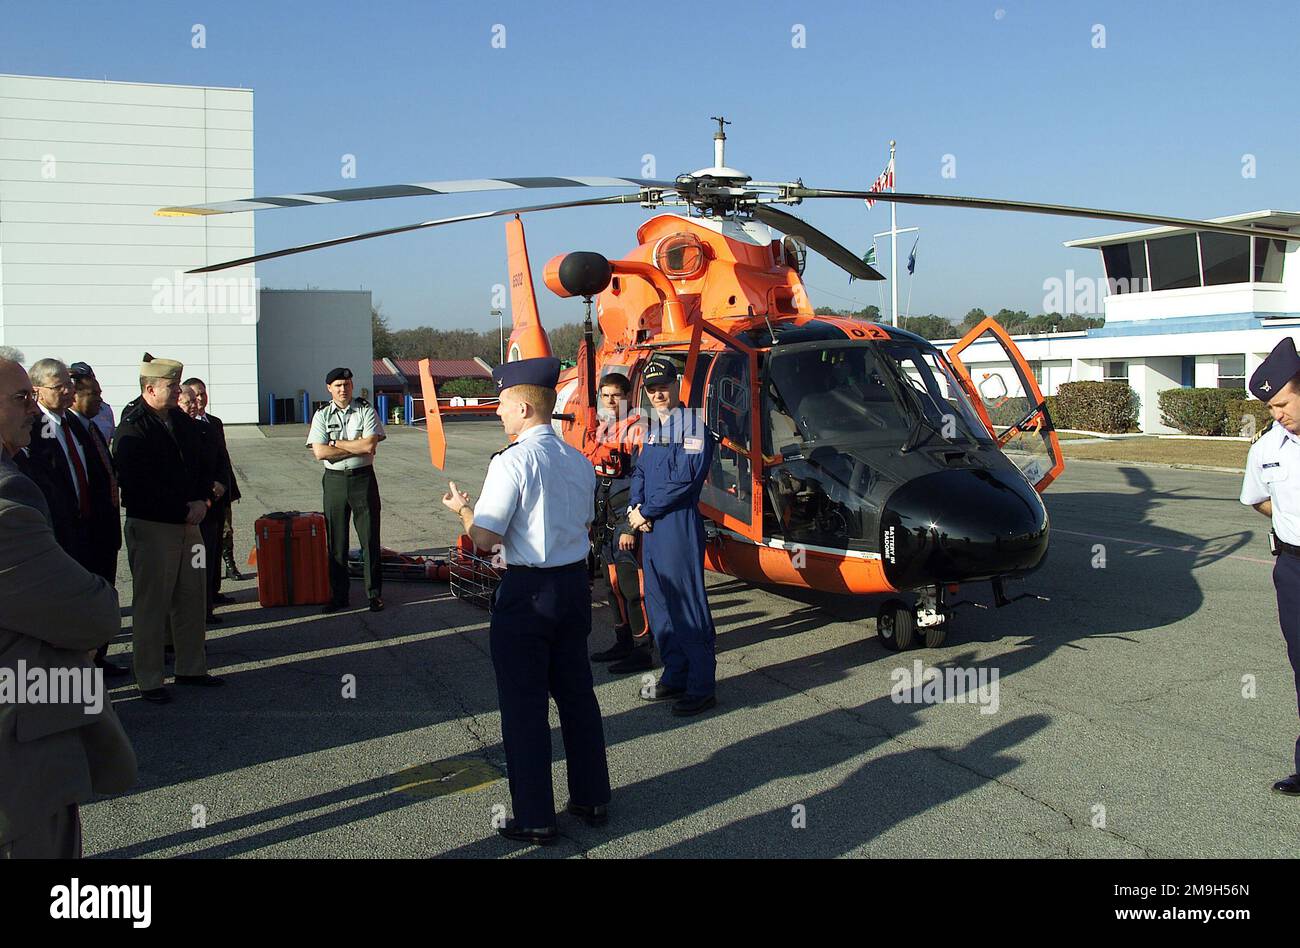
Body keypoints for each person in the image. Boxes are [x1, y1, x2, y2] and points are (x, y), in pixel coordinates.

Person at [441, 356, 610, 845]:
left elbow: (487, 538)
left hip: (528, 592)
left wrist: (464, 512)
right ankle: (592, 797)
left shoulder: (512, 461)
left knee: (524, 705)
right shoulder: (579, 459)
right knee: (577, 695)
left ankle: (535, 816)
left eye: (502, 406)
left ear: (521, 407)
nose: (498, 414)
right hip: (573, 587)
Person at [0, 353, 136, 858]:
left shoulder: (75, 431)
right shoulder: (7, 497)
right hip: (20, 744)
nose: (33, 409)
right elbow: (94, 615)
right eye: (20, 399)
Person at [113, 354, 223, 703]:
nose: (180, 392)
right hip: (153, 527)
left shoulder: (180, 421)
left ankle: (191, 668)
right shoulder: (133, 426)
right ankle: (149, 679)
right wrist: (185, 507)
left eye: (178, 385)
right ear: (150, 389)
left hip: (188, 525)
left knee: (191, 598)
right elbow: (137, 485)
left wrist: (203, 499)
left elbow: (204, 463)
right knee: (152, 604)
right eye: (172, 386)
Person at [25, 359, 126, 676]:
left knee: (94, 599)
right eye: (60, 387)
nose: (68, 391)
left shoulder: (75, 424)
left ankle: (95, 660)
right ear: (38, 391)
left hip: (90, 530)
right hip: (61, 536)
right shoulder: (33, 430)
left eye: (69, 385)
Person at [628, 360, 718, 716]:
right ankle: (675, 673)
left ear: (677, 385)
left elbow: (683, 481)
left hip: (676, 525)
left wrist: (645, 511)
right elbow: (640, 471)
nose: (658, 394)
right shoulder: (653, 432)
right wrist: (636, 506)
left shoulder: (693, 429)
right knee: (660, 606)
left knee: (686, 605)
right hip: (651, 529)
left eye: (663, 386)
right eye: (651, 389)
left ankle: (701, 685)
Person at [1241, 336, 1300, 797]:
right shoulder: (1266, 448)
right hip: (1294, 569)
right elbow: (1259, 499)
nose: (1277, 414)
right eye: (1271, 408)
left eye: (1282, 403)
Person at [589, 372, 653, 673]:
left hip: (625, 520)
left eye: (617, 395)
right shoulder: (603, 429)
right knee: (611, 584)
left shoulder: (639, 429)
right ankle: (622, 640)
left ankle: (643, 648)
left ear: (628, 396)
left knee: (631, 586)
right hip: (603, 521)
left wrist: (631, 525)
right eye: (606, 395)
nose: (611, 401)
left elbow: (645, 479)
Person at [307, 367, 385, 613]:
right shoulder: (321, 415)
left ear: (352, 386)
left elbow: (370, 445)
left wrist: (334, 443)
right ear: (329, 388)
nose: (343, 389)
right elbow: (320, 453)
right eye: (338, 385)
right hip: (335, 482)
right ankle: (339, 596)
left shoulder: (365, 410)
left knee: (369, 538)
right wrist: (356, 445)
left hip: (363, 480)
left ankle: (374, 594)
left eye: (347, 384)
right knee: (336, 541)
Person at [182, 378, 243, 599]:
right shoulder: (183, 428)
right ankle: (203, 596)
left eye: (202, 394)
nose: (199, 400)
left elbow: (222, 459)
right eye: (193, 397)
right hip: (200, 500)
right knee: (201, 551)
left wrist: (224, 484)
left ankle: (214, 589)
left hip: (220, 494)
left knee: (219, 540)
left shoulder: (213, 423)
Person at [178, 383, 229, 623]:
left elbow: (220, 460)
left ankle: (204, 608)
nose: (193, 405)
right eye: (187, 401)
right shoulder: (169, 432)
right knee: (185, 569)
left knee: (204, 561)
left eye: (194, 401)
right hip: (181, 514)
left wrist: (219, 483)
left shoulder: (204, 429)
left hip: (208, 509)